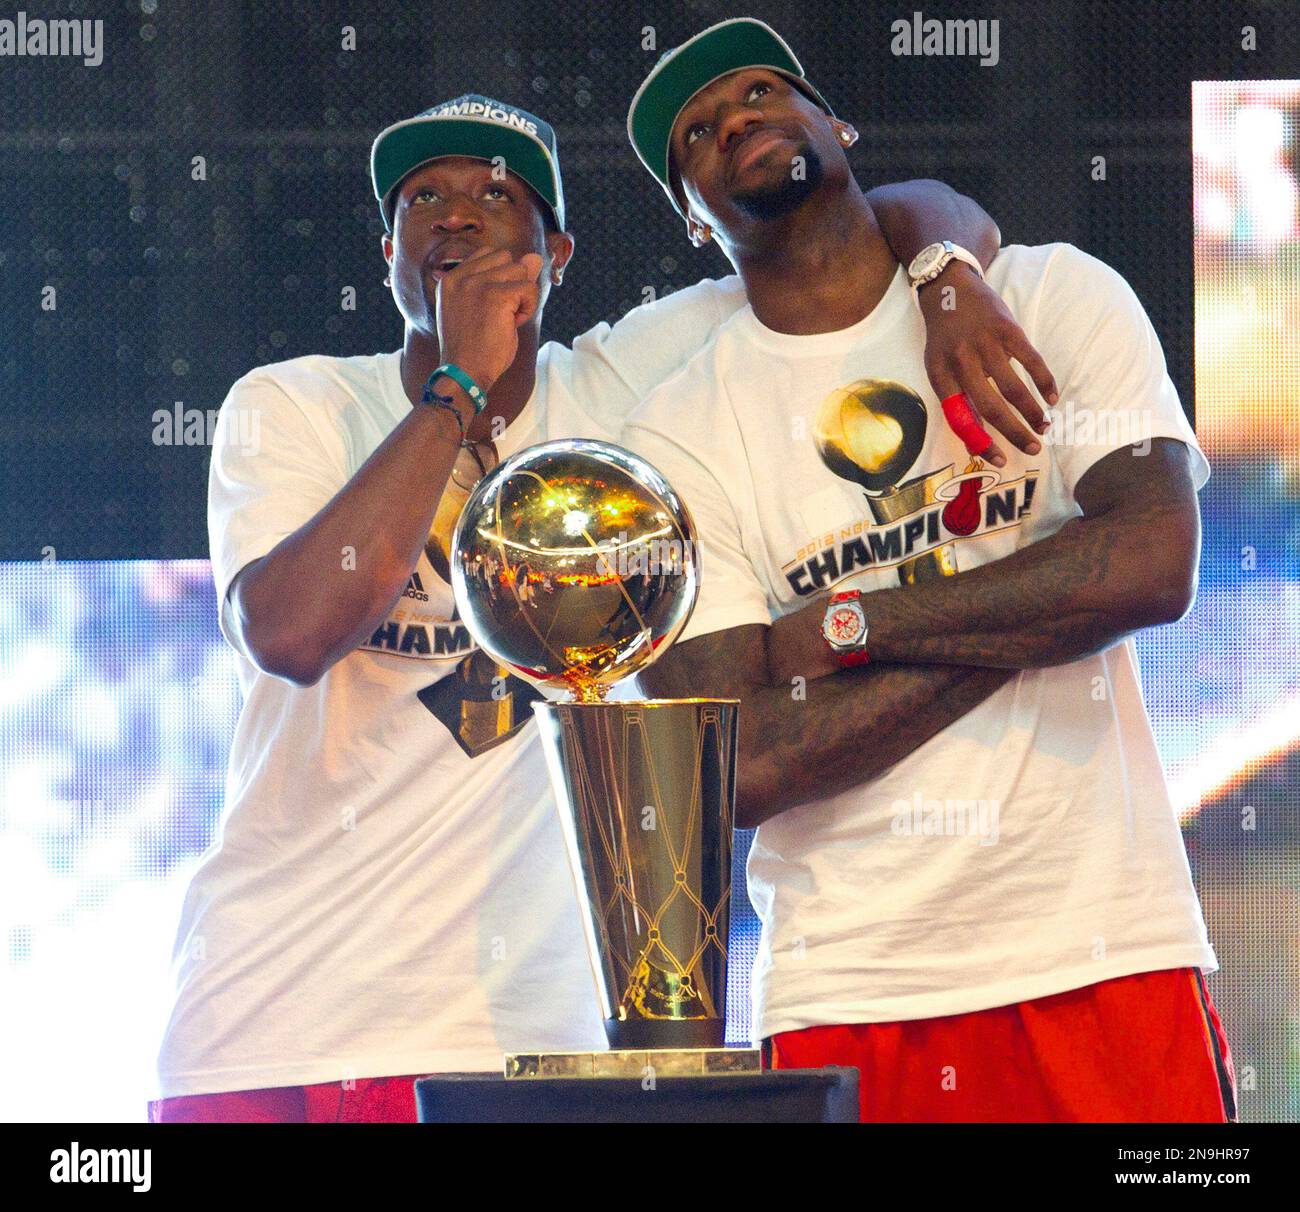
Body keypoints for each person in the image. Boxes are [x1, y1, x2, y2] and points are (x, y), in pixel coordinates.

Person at [149, 87, 1049, 1122]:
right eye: (420, 198)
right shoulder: (297, 402)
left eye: (496, 192)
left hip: (526, 1037)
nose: (453, 211)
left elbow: (861, 226)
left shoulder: (621, 386)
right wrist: (457, 389)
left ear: (558, 253)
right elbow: (294, 634)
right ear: (388, 257)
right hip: (273, 1023)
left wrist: (947, 275)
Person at [621, 18, 1236, 1123]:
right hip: (853, 984)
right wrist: (1047, 601)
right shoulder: (674, 432)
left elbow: (1147, 567)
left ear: (836, 124)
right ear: (691, 213)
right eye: (699, 136)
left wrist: (860, 625)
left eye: (764, 92)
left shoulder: (1051, 295)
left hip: (1105, 946)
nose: (737, 123)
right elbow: (737, 765)